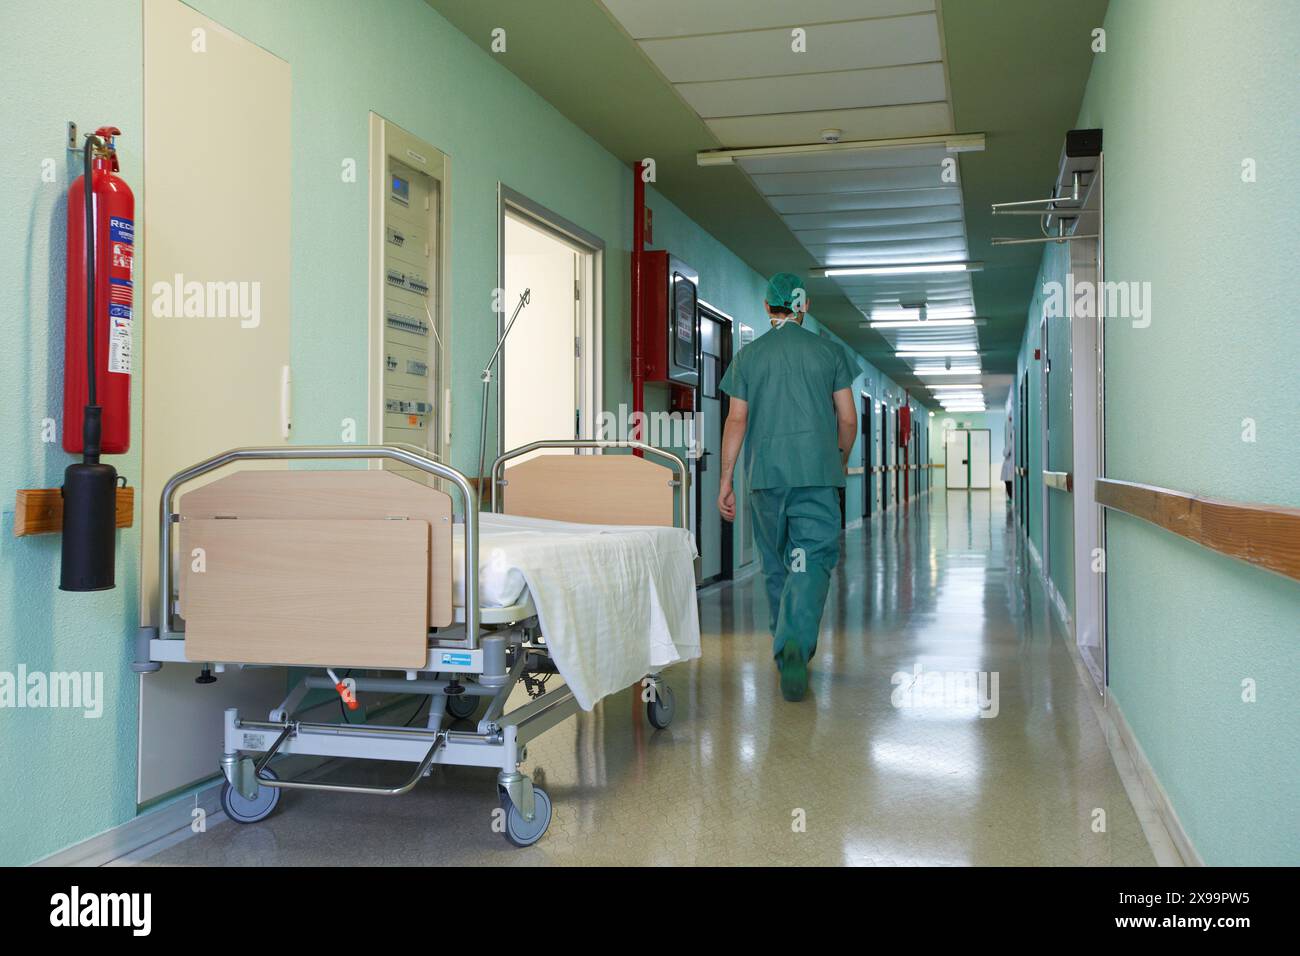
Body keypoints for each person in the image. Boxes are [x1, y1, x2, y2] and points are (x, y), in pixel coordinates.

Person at [717, 273, 857, 701]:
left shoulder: (749, 357)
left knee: (778, 564)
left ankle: (785, 645)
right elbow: (849, 418)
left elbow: (737, 420)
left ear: (767, 308)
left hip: (766, 480)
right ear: (804, 306)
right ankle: (796, 641)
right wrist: (839, 457)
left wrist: (726, 479)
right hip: (817, 477)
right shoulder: (829, 353)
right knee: (810, 561)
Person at [1001, 409, 1015, 501]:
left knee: (1008, 483)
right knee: (1008, 482)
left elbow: (1005, 453)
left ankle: (1011, 498)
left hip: (1010, 467)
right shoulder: (1011, 444)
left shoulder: (1010, 444)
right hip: (1009, 467)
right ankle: (1011, 497)